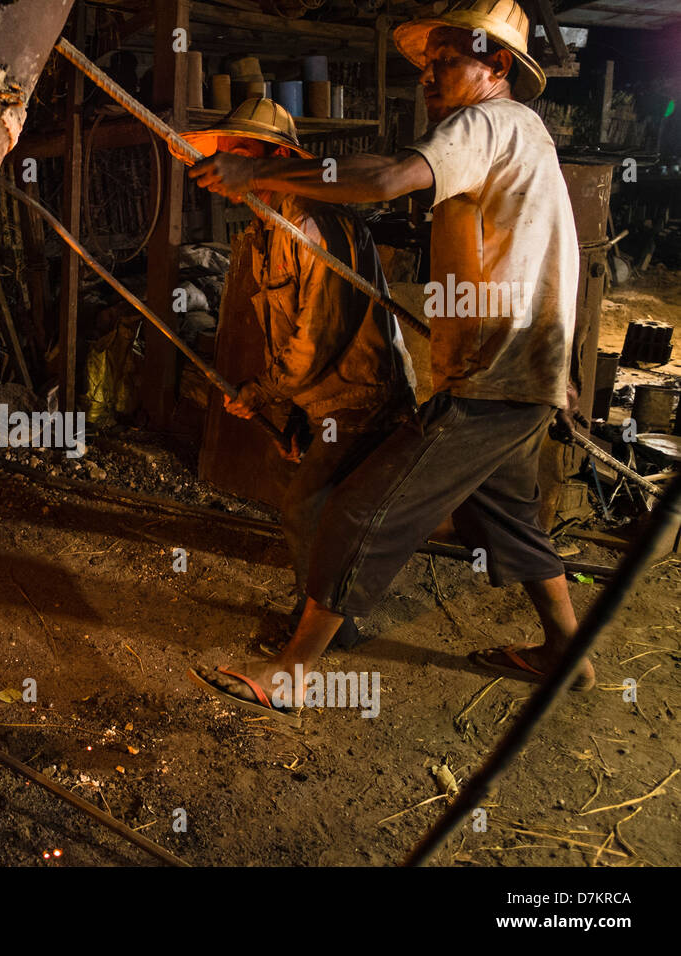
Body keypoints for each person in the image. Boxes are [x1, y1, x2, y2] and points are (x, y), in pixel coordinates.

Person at [187, 0, 592, 715]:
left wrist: (261, 177)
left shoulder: (487, 122)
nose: (430, 75)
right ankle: (568, 651)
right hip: (518, 373)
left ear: (496, 66)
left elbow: (383, 180)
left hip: (497, 379)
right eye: (427, 62)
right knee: (506, 517)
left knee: (363, 511)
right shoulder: (522, 136)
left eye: (447, 61)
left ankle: (293, 672)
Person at [179, 98, 417, 661]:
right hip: (326, 402)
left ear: (274, 156)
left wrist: (262, 392)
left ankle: (334, 625)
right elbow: (283, 330)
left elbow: (318, 337)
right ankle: (334, 615)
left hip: (361, 398)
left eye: (237, 152)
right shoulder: (267, 226)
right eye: (225, 153)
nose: (223, 166)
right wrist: (291, 415)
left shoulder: (310, 221)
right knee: (323, 505)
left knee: (309, 508)